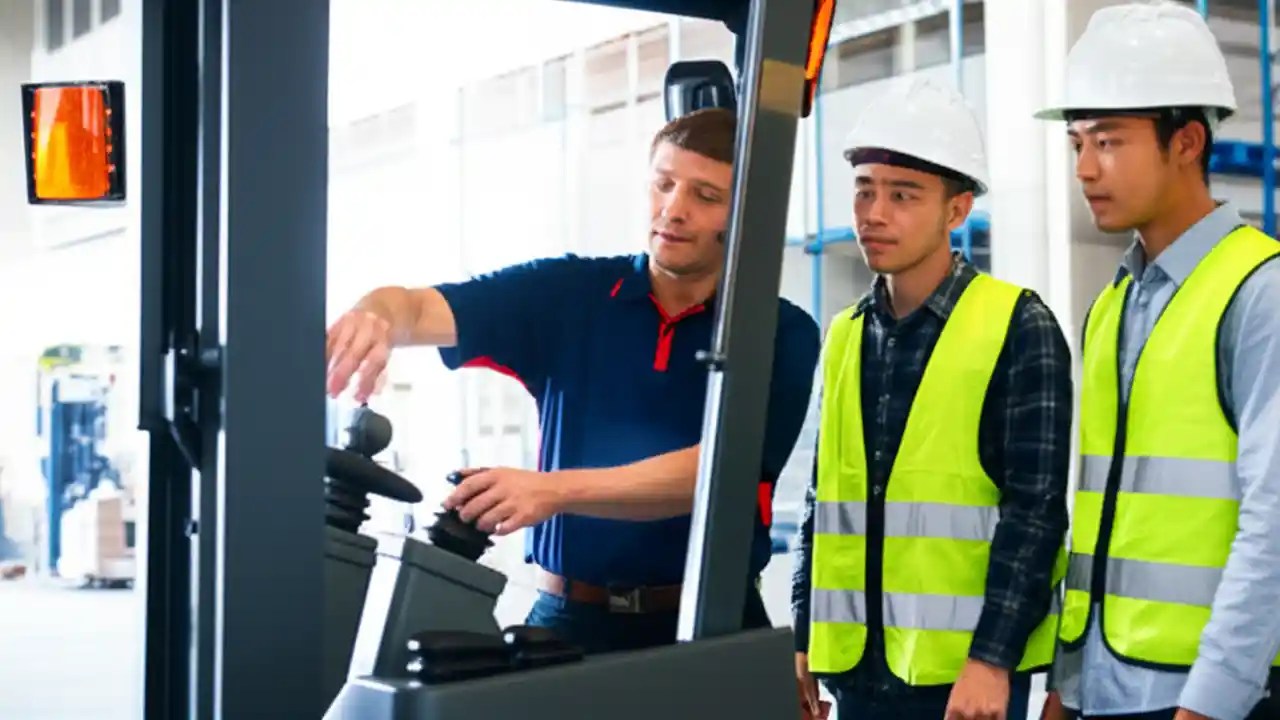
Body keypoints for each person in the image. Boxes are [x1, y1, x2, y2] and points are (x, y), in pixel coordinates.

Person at [325, 107, 822, 655]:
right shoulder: (571, 294)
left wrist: (552, 491)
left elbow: (721, 471)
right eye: (663, 184)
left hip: (714, 625)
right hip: (568, 624)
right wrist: (375, 315)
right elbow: (417, 308)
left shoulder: (781, 331)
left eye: (705, 196)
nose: (672, 210)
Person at [790, 77, 1073, 720]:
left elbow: (1035, 515)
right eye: (865, 190)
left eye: (902, 195)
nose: (874, 213)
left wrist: (992, 659)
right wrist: (805, 634)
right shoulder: (845, 334)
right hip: (856, 671)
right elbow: (822, 500)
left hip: (961, 685)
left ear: (956, 209)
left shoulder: (1017, 325)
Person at [1034, 3, 1280, 720]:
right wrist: (1065, 682)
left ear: (1187, 141)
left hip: (1206, 697)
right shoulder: (1111, 304)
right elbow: (1104, 517)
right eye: (1077, 141)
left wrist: (1213, 700)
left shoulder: (1258, 292)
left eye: (1108, 141)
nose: (1084, 167)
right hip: (1101, 689)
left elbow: (1272, 520)